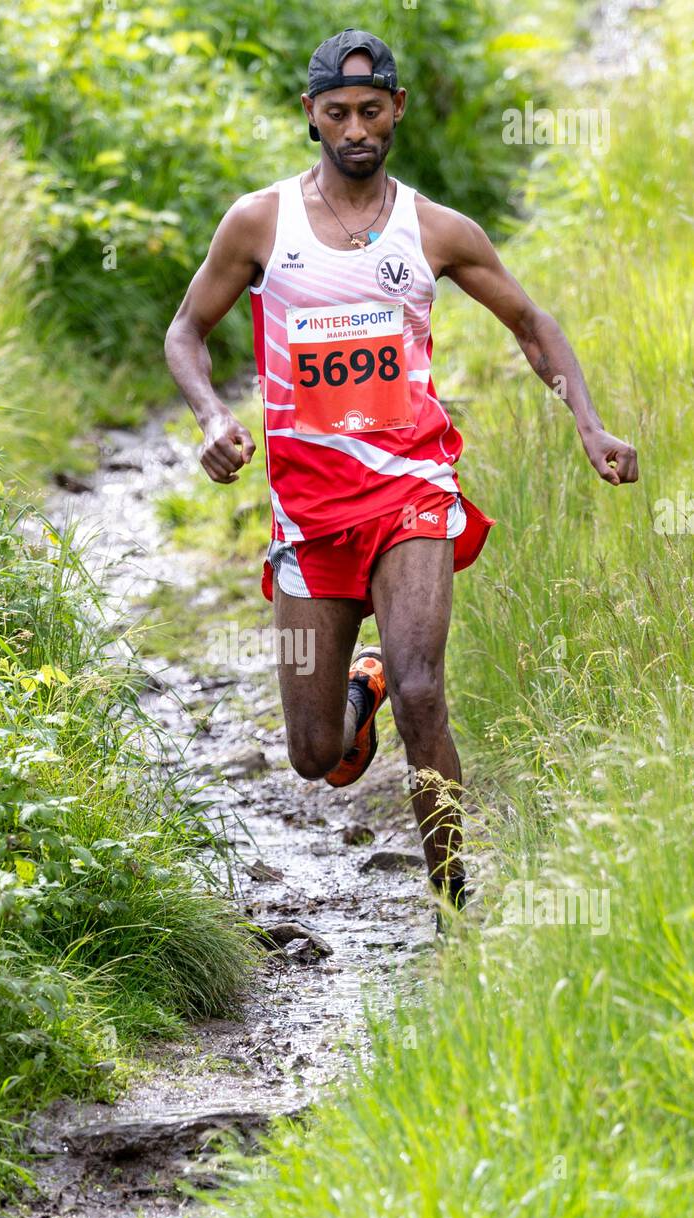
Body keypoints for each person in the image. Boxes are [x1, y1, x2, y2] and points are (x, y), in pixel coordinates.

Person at [164, 28, 638, 929]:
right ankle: (360, 685)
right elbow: (185, 331)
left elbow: (532, 324)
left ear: (397, 111)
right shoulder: (260, 223)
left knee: (426, 688)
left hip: (412, 489)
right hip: (309, 512)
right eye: (336, 112)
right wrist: (214, 417)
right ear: (310, 115)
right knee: (316, 755)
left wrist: (588, 422)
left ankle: (455, 908)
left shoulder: (438, 229)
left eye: (370, 110)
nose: (354, 128)